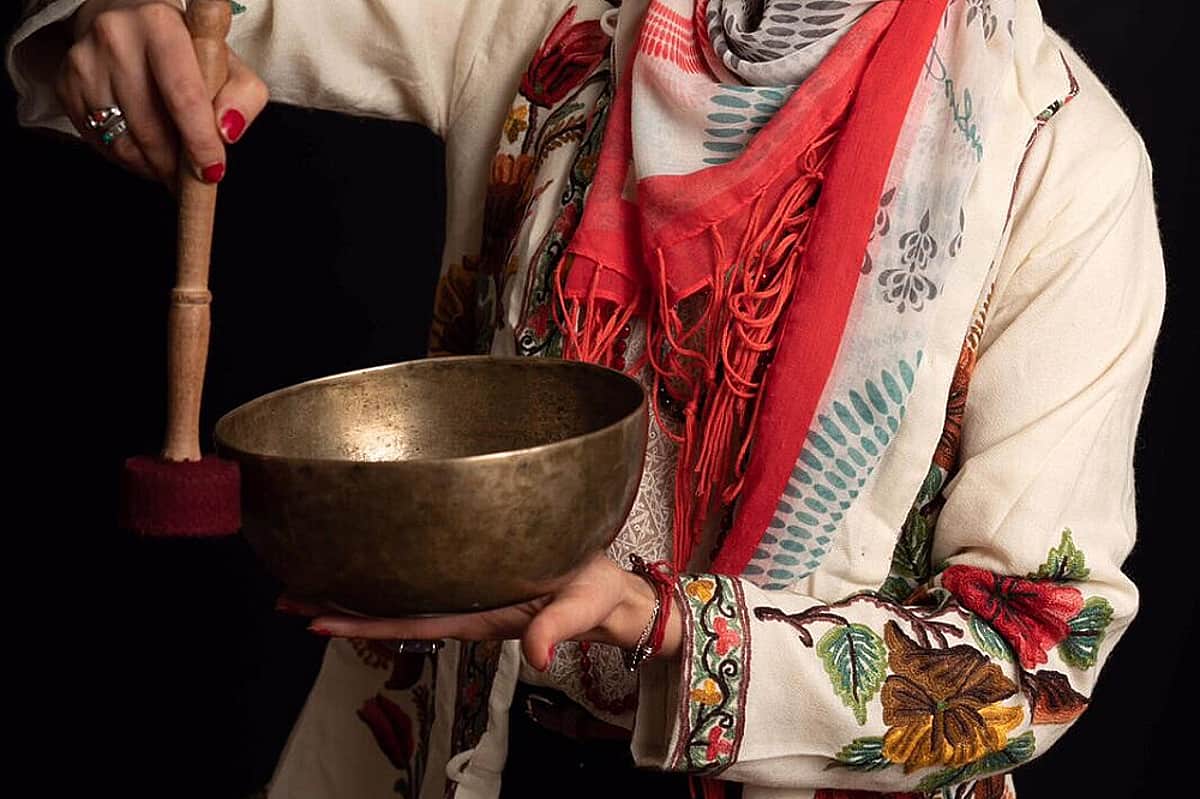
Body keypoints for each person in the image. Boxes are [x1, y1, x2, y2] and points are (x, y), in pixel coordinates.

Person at [8, 1, 1167, 797]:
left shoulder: (1057, 157)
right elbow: (212, 17)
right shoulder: (555, 19)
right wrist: (109, 32)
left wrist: (673, 631)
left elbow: (1035, 648)